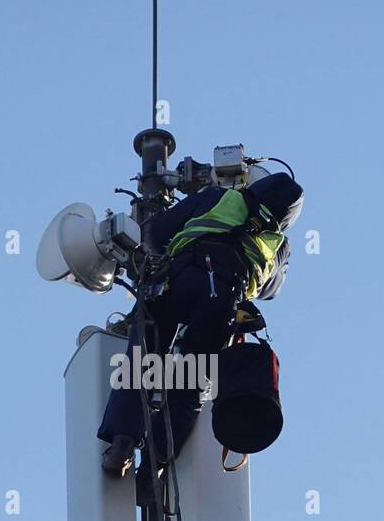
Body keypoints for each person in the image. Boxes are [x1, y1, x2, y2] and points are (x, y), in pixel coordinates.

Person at [98, 169, 304, 476]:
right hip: (223, 302)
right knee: (191, 385)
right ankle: (154, 468)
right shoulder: (279, 244)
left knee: (143, 361)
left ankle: (123, 442)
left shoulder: (220, 197)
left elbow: (157, 233)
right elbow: (270, 290)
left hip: (179, 280)